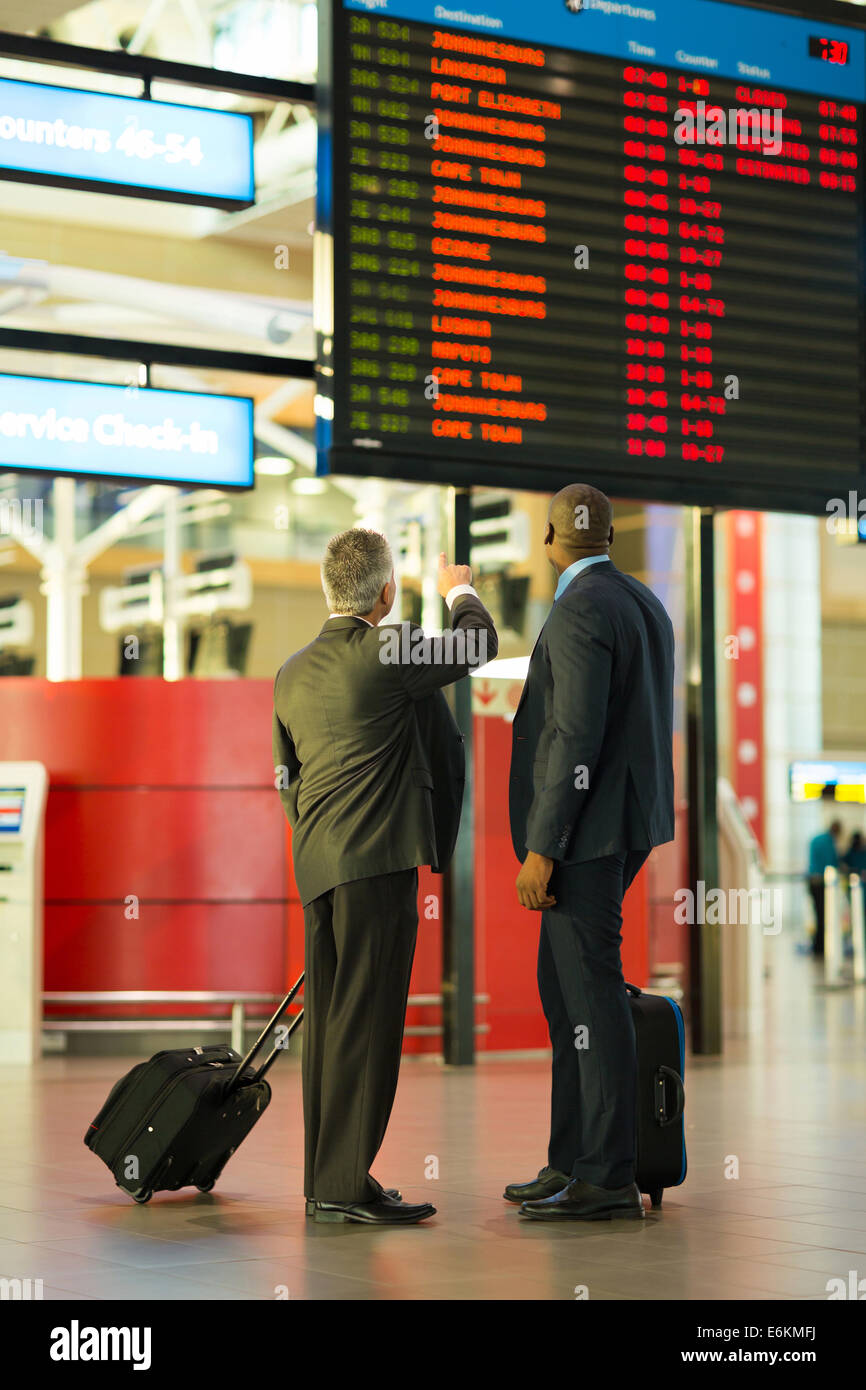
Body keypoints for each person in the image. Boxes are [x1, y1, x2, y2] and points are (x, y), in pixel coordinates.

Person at [272, 529, 497, 1225]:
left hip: (318, 867)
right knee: (368, 1024)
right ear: (385, 593)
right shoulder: (387, 649)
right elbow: (477, 642)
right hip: (376, 864)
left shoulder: (289, 671)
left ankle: (329, 1178)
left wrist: (316, 841)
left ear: (327, 589)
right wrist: (459, 585)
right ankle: (342, 1185)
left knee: (334, 1024)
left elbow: (289, 779)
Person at [505, 483, 675, 1223]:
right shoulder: (644, 603)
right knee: (565, 989)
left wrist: (545, 846)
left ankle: (605, 1174)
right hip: (625, 823)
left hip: (583, 835)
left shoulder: (577, 608)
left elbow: (573, 734)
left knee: (592, 995)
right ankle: (569, 1159)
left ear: (551, 539)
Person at [806, 813, 842, 959]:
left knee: (818, 914)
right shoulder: (828, 842)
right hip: (821, 883)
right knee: (823, 916)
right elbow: (832, 863)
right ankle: (820, 947)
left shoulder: (816, 839)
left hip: (812, 881)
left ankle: (818, 946)